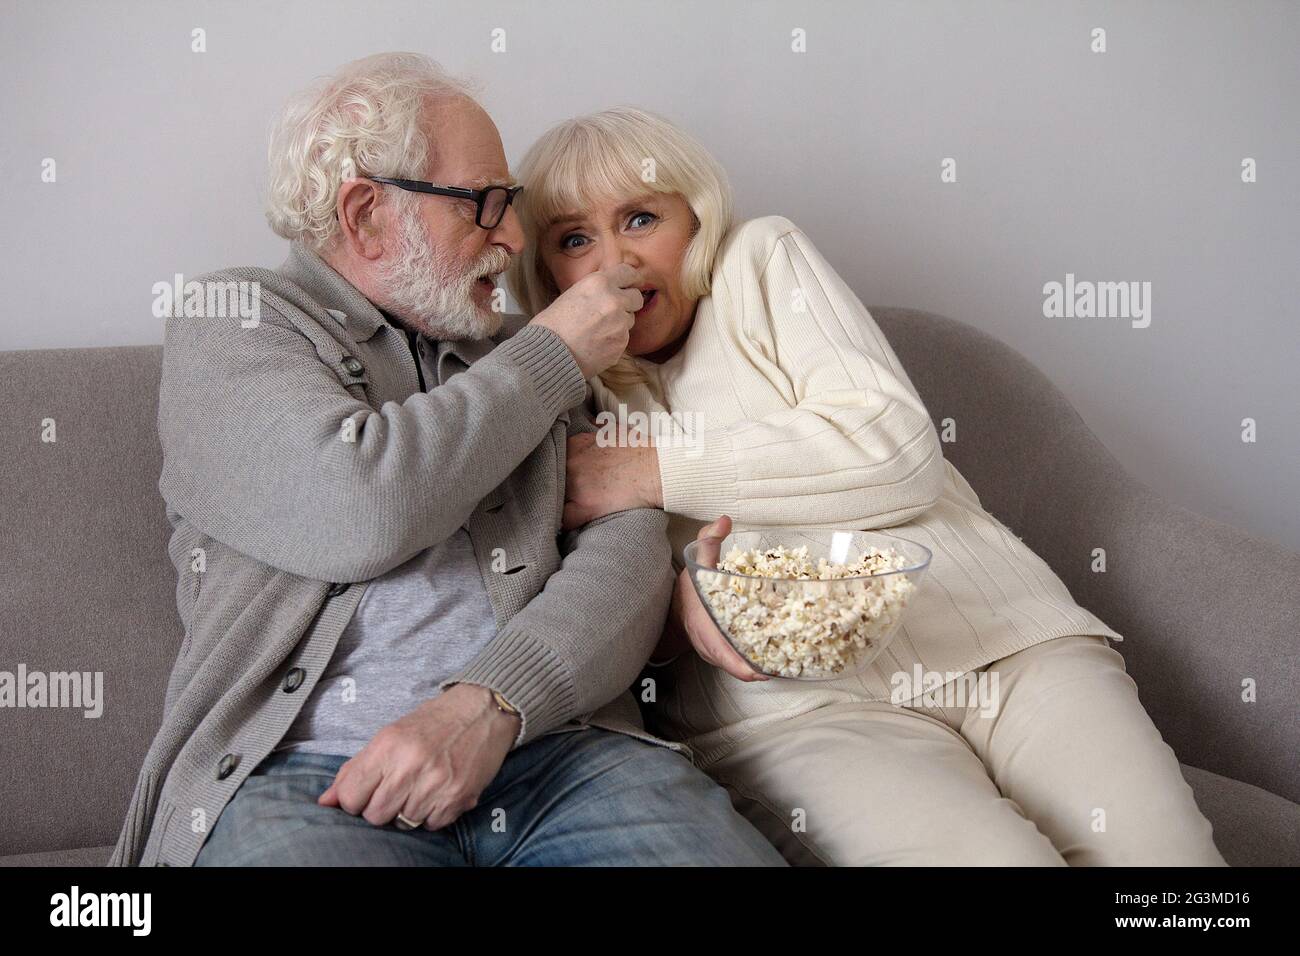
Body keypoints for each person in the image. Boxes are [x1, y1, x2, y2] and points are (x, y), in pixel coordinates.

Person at [109, 54, 787, 868]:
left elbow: (629, 554)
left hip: (560, 755)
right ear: (365, 213)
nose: (511, 239)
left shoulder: (515, 350)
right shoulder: (235, 325)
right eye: (486, 205)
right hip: (303, 777)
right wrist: (552, 354)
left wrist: (491, 705)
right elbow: (357, 508)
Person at [506, 105, 1228, 866]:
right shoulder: (553, 384)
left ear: (696, 217)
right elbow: (585, 596)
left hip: (1000, 639)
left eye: (642, 217)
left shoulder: (761, 262)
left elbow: (895, 448)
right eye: (576, 240)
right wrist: (674, 612)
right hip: (796, 714)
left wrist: (651, 469)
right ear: (547, 270)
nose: (617, 260)